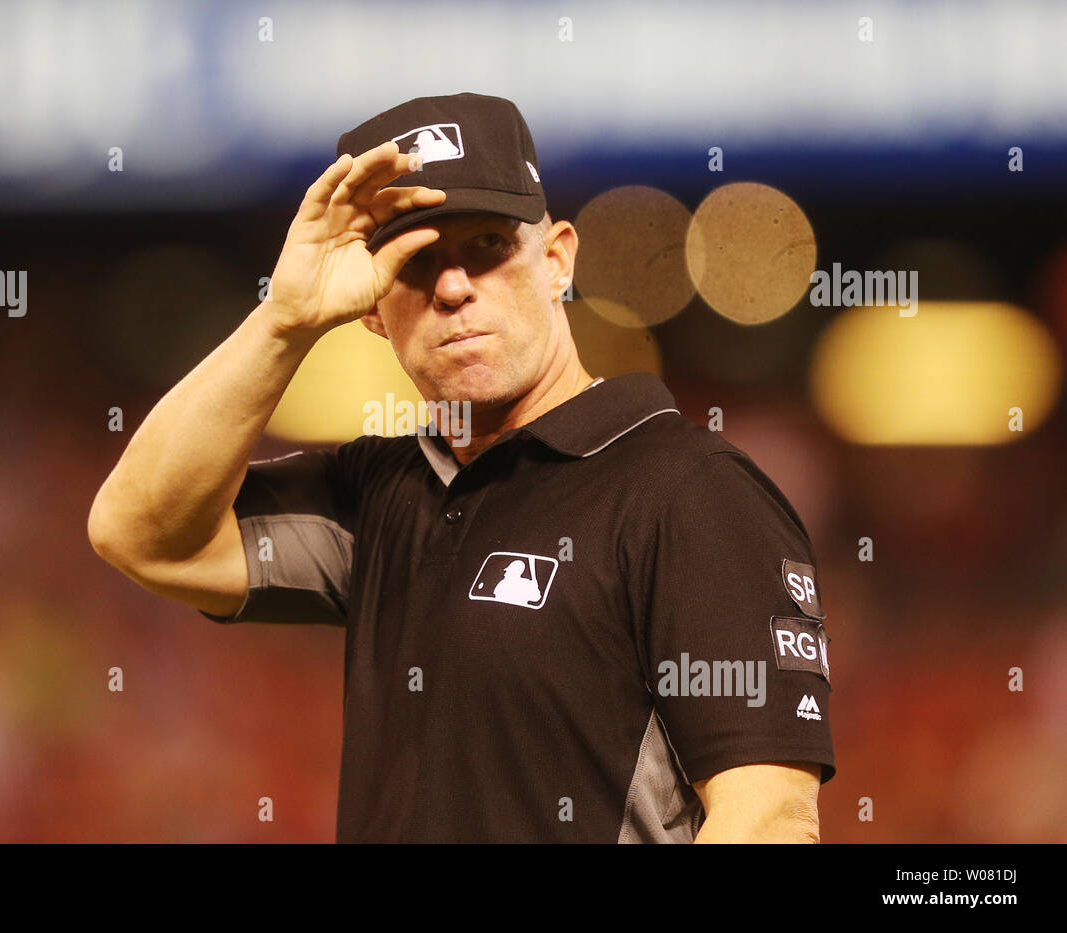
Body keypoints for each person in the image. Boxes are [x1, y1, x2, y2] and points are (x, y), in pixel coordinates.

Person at [88, 92, 834, 843]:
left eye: (486, 245)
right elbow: (141, 533)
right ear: (374, 308)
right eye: (415, 262)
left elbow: (768, 817)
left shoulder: (687, 488)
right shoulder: (383, 490)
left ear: (556, 260)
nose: (452, 287)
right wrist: (284, 320)